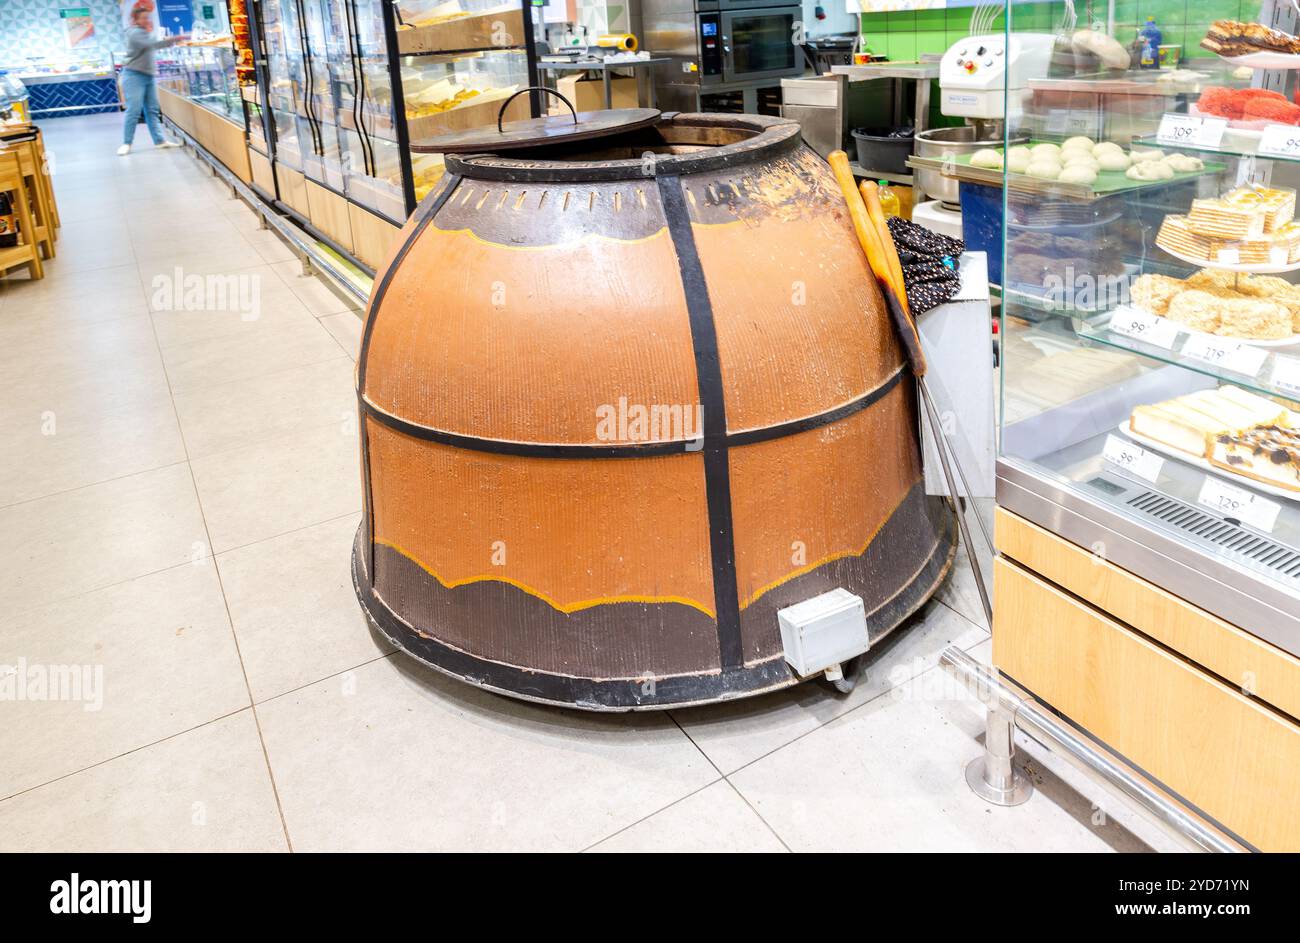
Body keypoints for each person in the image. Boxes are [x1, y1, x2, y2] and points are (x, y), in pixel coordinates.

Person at [118, 4, 188, 156]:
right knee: (134, 110)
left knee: (152, 109)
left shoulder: (144, 32)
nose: (146, 20)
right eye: (143, 18)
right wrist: (176, 38)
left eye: (147, 18)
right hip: (133, 75)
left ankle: (159, 141)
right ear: (135, 19)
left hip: (148, 75)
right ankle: (126, 143)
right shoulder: (134, 33)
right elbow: (153, 44)